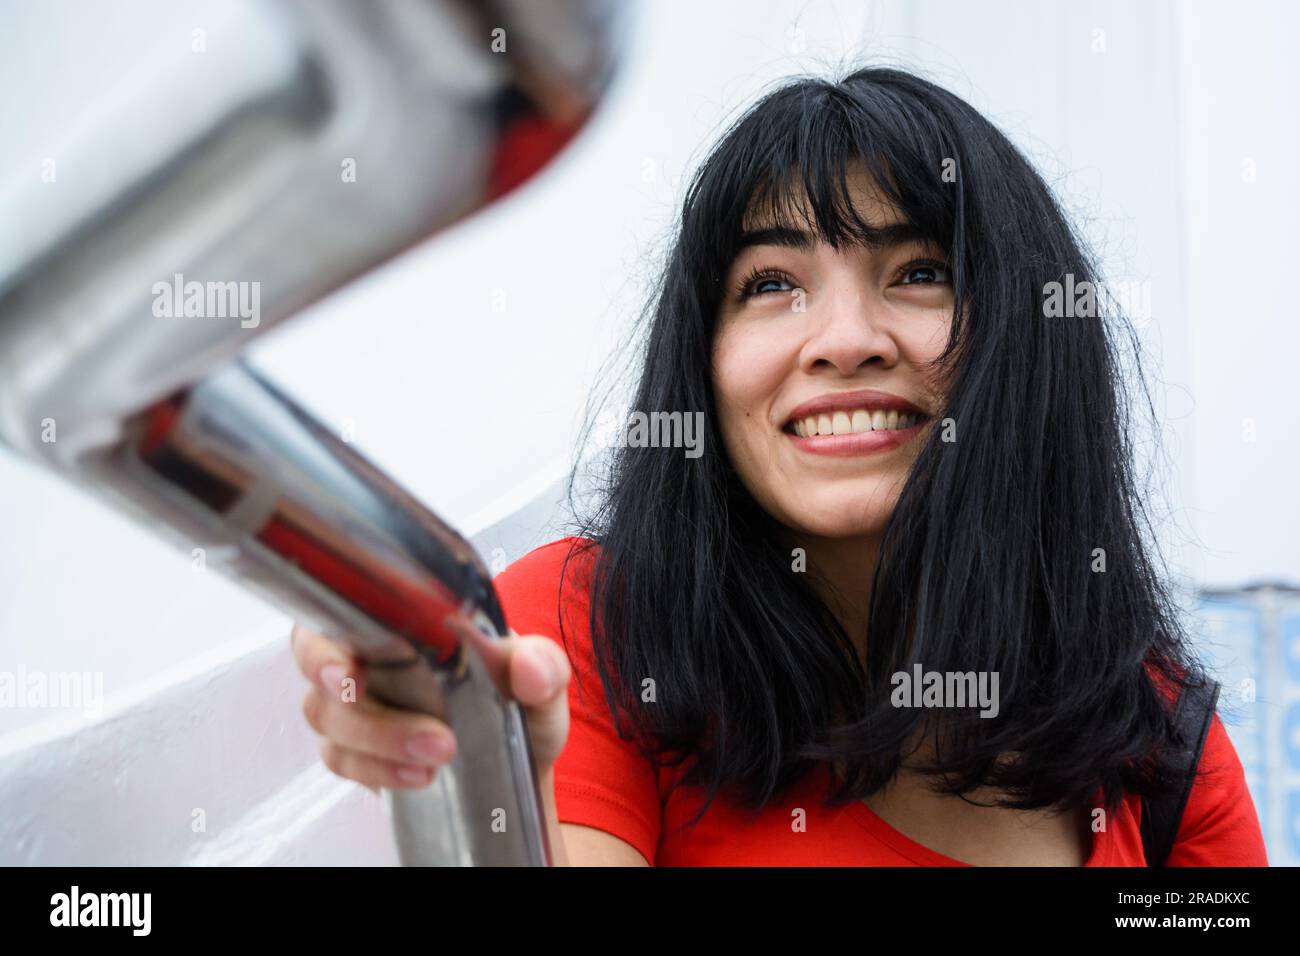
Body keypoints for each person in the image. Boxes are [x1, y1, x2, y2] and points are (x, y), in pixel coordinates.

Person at [291, 66, 1268, 866]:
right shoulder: (584, 630)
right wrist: (468, 745)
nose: (844, 339)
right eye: (770, 284)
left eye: (919, 271)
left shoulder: (1153, 729)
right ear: (701, 364)